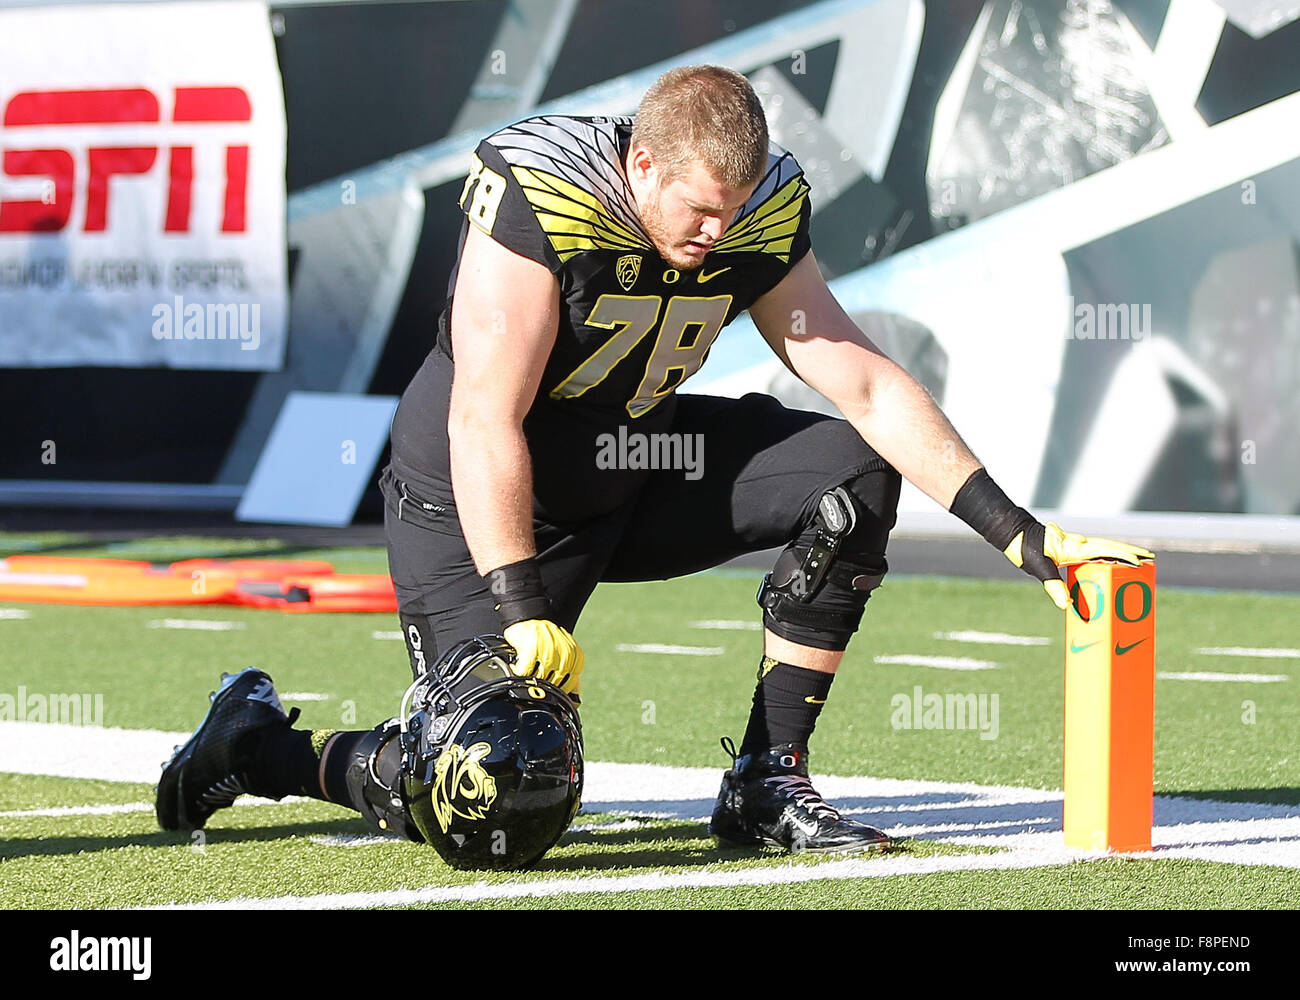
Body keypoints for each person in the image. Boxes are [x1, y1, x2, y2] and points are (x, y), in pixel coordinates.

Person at [156, 65, 1152, 863]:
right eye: (700, 213)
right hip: (468, 502)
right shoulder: (548, 198)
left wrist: (1020, 533)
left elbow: (862, 384)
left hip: (628, 467)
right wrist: (519, 608)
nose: (720, 235)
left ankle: (769, 779)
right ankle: (256, 745)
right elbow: (481, 417)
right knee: (496, 788)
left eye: (736, 210)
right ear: (640, 168)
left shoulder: (757, 210)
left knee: (849, 474)